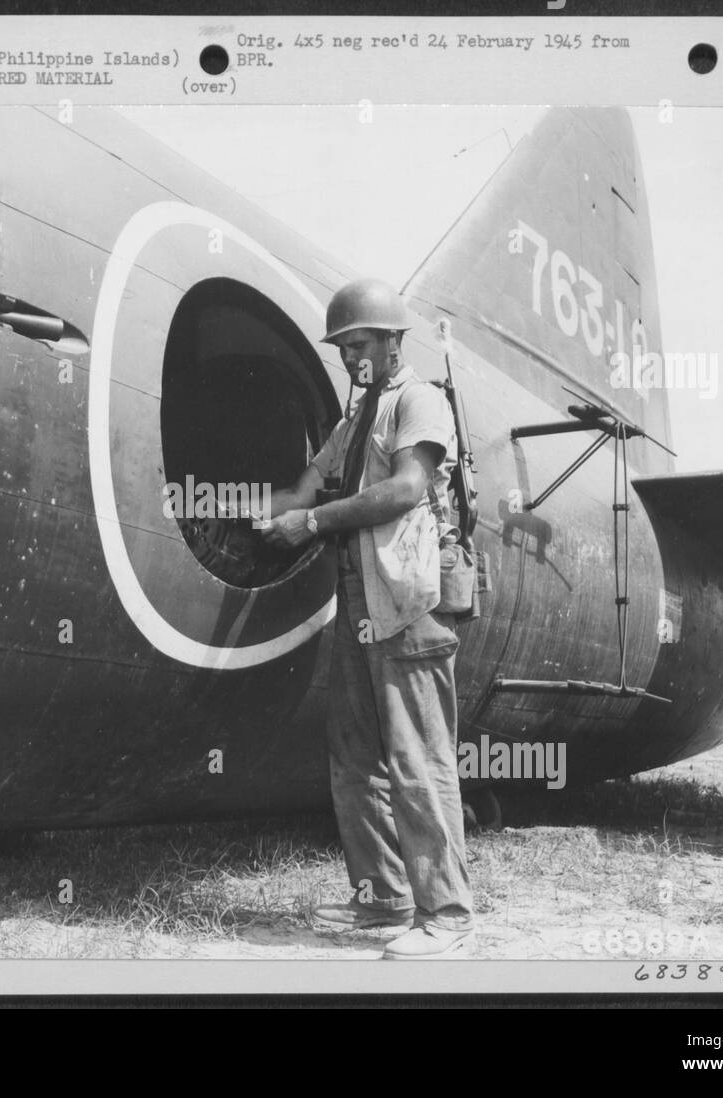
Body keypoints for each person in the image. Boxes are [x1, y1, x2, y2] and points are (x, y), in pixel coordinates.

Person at [261, 277, 474, 960]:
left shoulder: (418, 401)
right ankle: (384, 903)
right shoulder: (357, 419)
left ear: (392, 341)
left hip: (409, 601)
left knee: (419, 756)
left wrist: (311, 521)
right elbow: (311, 477)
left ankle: (448, 918)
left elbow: (409, 486)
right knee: (354, 757)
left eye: (361, 344)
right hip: (360, 600)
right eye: (343, 347)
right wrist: (267, 510)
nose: (352, 357)